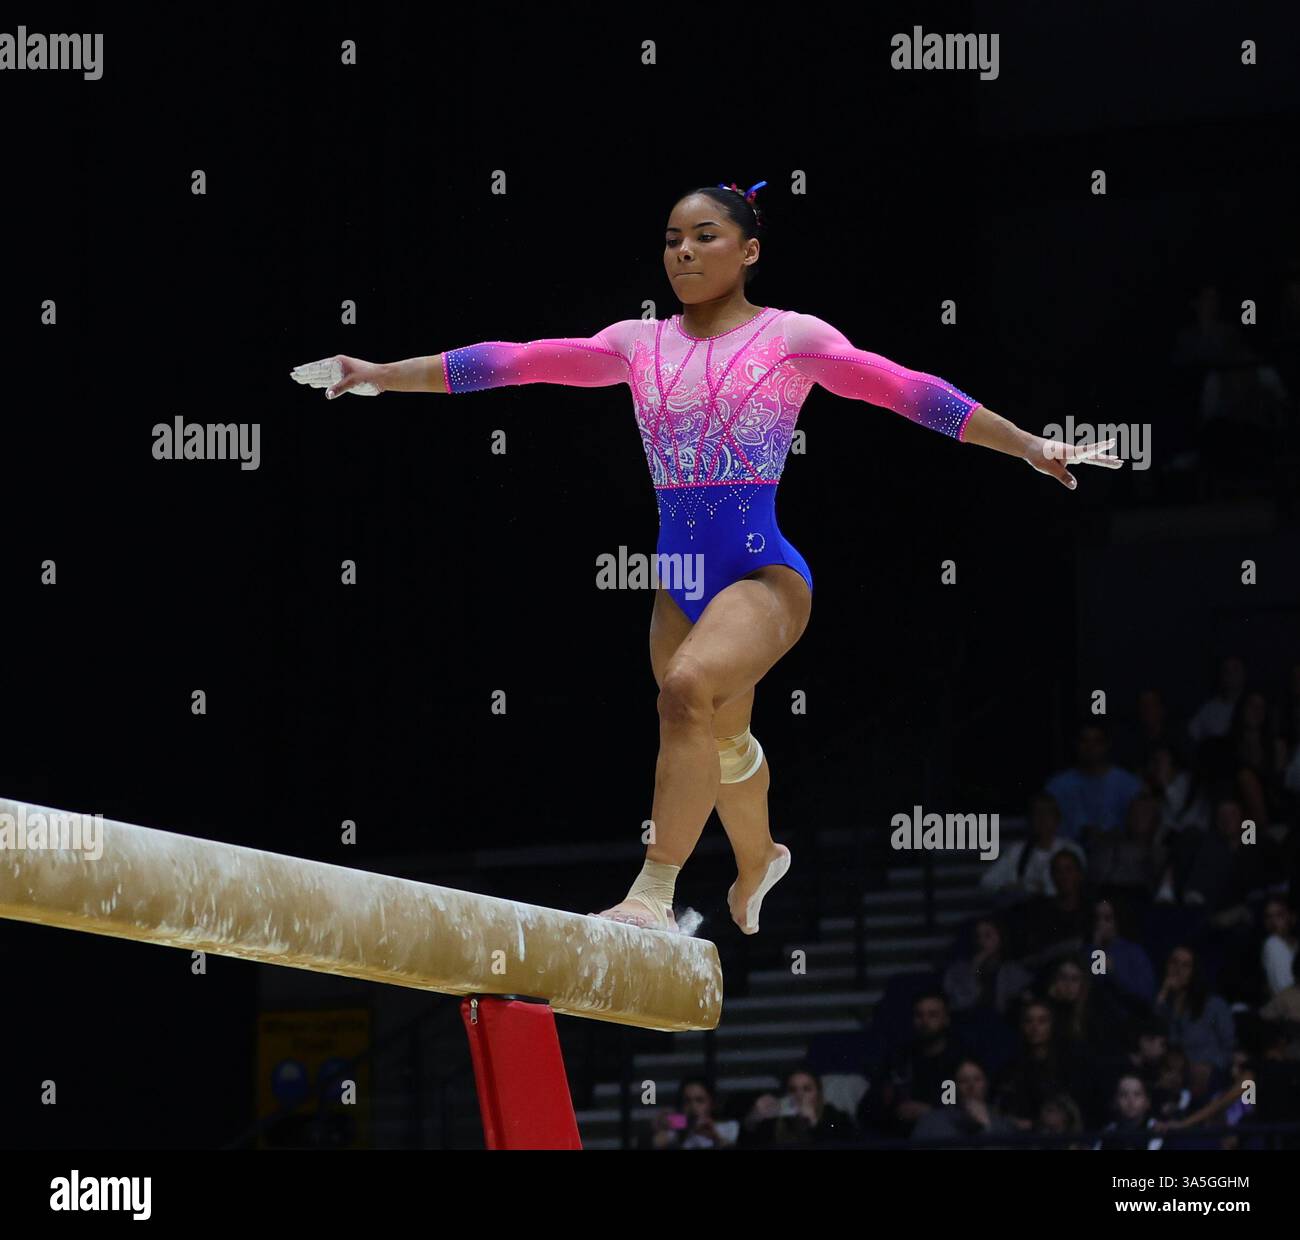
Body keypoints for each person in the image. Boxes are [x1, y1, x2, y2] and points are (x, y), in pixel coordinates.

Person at [291, 178, 1123, 933]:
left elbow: (904, 387)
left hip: (765, 575)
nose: (683, 251)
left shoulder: (791, 337)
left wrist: (1024, 445)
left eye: (704, 236)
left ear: (749, 250)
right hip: (678, 582)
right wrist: (379, 375)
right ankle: (760, 859)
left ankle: (653, 894)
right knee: (720, 740)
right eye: (671, 238)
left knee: (685, 691)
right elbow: (514, 361)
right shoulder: (635, 344)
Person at [1154, 944, 1236, 1095]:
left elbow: (1228, 1047)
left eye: (1186, 965)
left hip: (1208, 1073)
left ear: (1194, 972)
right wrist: (1164, 994)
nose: (1178, 970)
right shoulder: (1162, 1005)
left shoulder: (1213, 1005)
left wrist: (1211, 1067)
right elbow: (1158, 1036)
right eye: (1174, 962)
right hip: (1173, 1074)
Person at [978, 792, 1084, 903]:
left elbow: (1077, 886)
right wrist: (1007, 887)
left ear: (1057, 819)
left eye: (1047, 813)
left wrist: (1040, 890)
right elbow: (987, 882)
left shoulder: (1072, 850)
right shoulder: (1016, 851)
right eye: (1037, 813)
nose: (1042, 819)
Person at [1044, 724, 1144, 842]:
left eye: (1097, 741)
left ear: (1107, 745)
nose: (1090, 747)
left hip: (1118, 855)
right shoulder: (1057, 787)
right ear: (1076, 744)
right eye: (1084, 741)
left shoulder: (1130, 785)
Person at [910, 1059, 1019, 1146]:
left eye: (977, 1079)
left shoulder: (1002, 1123)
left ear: (986, 1084)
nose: (971, 1086)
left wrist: (986, 1127)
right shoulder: (931, 1122)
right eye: (963, 1081)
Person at [741, 1066, 856, 1146]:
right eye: (793, 1089)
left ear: (818, 1093)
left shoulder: (834, 1116)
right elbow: (747, 1140)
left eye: (807, 1089)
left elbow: (844, 1140)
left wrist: (813, 1122)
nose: (799, 1095)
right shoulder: (776, 1118)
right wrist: (753, 1118)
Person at [942, 915, 1033, 1015]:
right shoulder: (959, 969)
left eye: (987, 935)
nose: (982, 941)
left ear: (1000, 936)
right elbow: (960, 1002)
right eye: (978, 936)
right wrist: (975, 967)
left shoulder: (1013, 969)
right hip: (968, 1022)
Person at [644, 1077, 738, 1150]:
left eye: (700, 1100)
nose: (693, 1107)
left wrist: (715, 1138)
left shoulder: (729, 1128)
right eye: (687, 1101)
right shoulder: (675, 1132)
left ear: (711, 1104)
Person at [1261, 895, 1299, 997]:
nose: (1273, 922)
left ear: (1292, 917)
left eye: (1279, 915)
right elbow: (1286, 990)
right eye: (1268, 917)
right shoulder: (1273, 945)